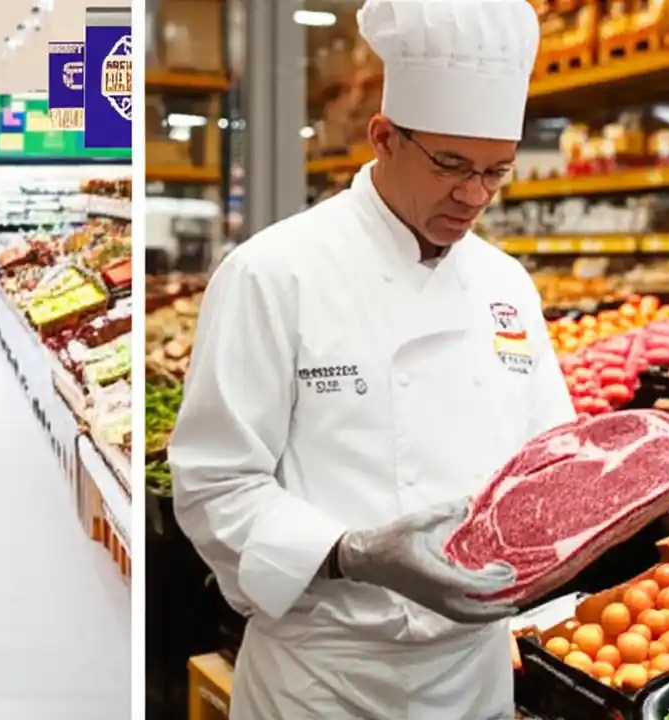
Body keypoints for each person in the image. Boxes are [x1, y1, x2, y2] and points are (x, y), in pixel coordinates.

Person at [167, 1, 574, 718]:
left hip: (475, 674)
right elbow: (214, 483)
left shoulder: (507, 284)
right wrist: (350, 552)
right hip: (326, 678)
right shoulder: (275, 272)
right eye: (452, 165)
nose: (473, 196)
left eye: (495, 173)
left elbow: (547, 463)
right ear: (383, 136)